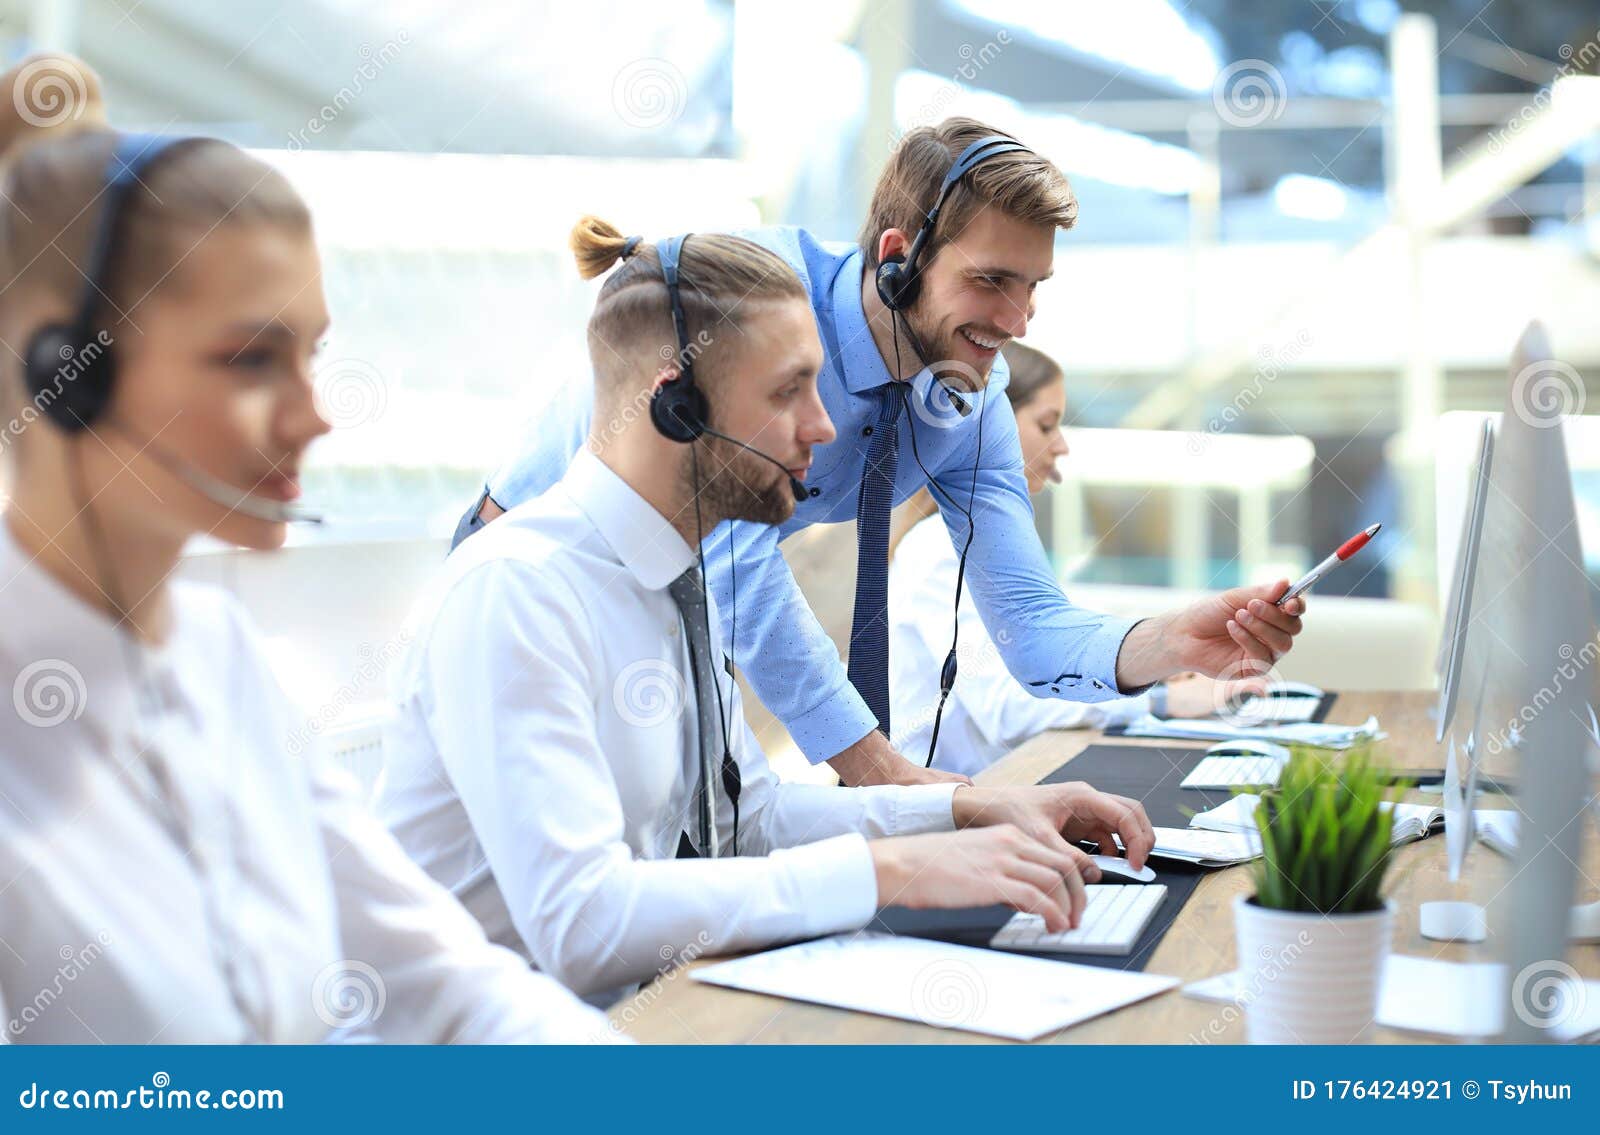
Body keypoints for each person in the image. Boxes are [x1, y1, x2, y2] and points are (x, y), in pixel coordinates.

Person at [376, 220, 1157, 1006]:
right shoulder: (517, 592)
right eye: (788, 392)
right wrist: (892, 870)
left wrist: (967, 810)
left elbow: (750, 813)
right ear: (676, 406)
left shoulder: (680, 583)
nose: (823, 427)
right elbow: (583, 924)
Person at [0, 67, 611, 1043]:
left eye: (312, 352)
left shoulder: (223, 657)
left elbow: (441, 980)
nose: (316, 414)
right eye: (250, 358)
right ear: (63, 373)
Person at [447, 117, 1307, 790]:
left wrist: (1171, 643)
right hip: (535, 587)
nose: (1017, 323)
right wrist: (879, 773)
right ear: (899, 258)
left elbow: (1035, 631)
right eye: (991, 281)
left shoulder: (967, 400)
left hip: (664, 610)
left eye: (1033, 287)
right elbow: (737, 561)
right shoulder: (765, 308)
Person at [889, 342, 1245, 776]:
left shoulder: (980, 542)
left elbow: (1049, 655)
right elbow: (1005, 709)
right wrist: (1162, 700)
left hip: (999, 786)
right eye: (1046, 425)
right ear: (990, 425)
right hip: (957, 808)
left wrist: (1153, 670)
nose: (1061, 446)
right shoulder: (939, 549)